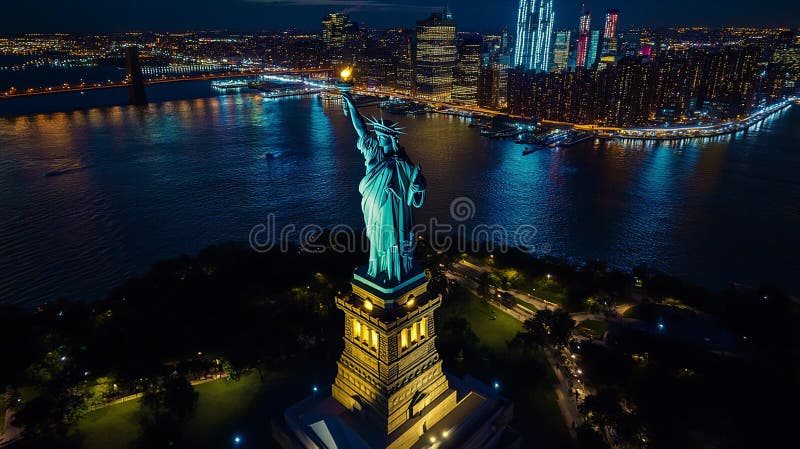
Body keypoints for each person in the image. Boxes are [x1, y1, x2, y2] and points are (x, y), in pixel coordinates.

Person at [341, 92, 426, 283]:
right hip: (375, 208)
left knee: (394, 238)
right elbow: (361, 129)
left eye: (382, 137)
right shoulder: (374, 153)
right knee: (378, 237)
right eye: (378, 136)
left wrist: (417, 187)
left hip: (395, 210)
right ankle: (380, 266)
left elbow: (415, 189)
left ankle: (395, 270)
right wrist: (351, 104)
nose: (379, 139)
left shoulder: (402, 162)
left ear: (392, 139)